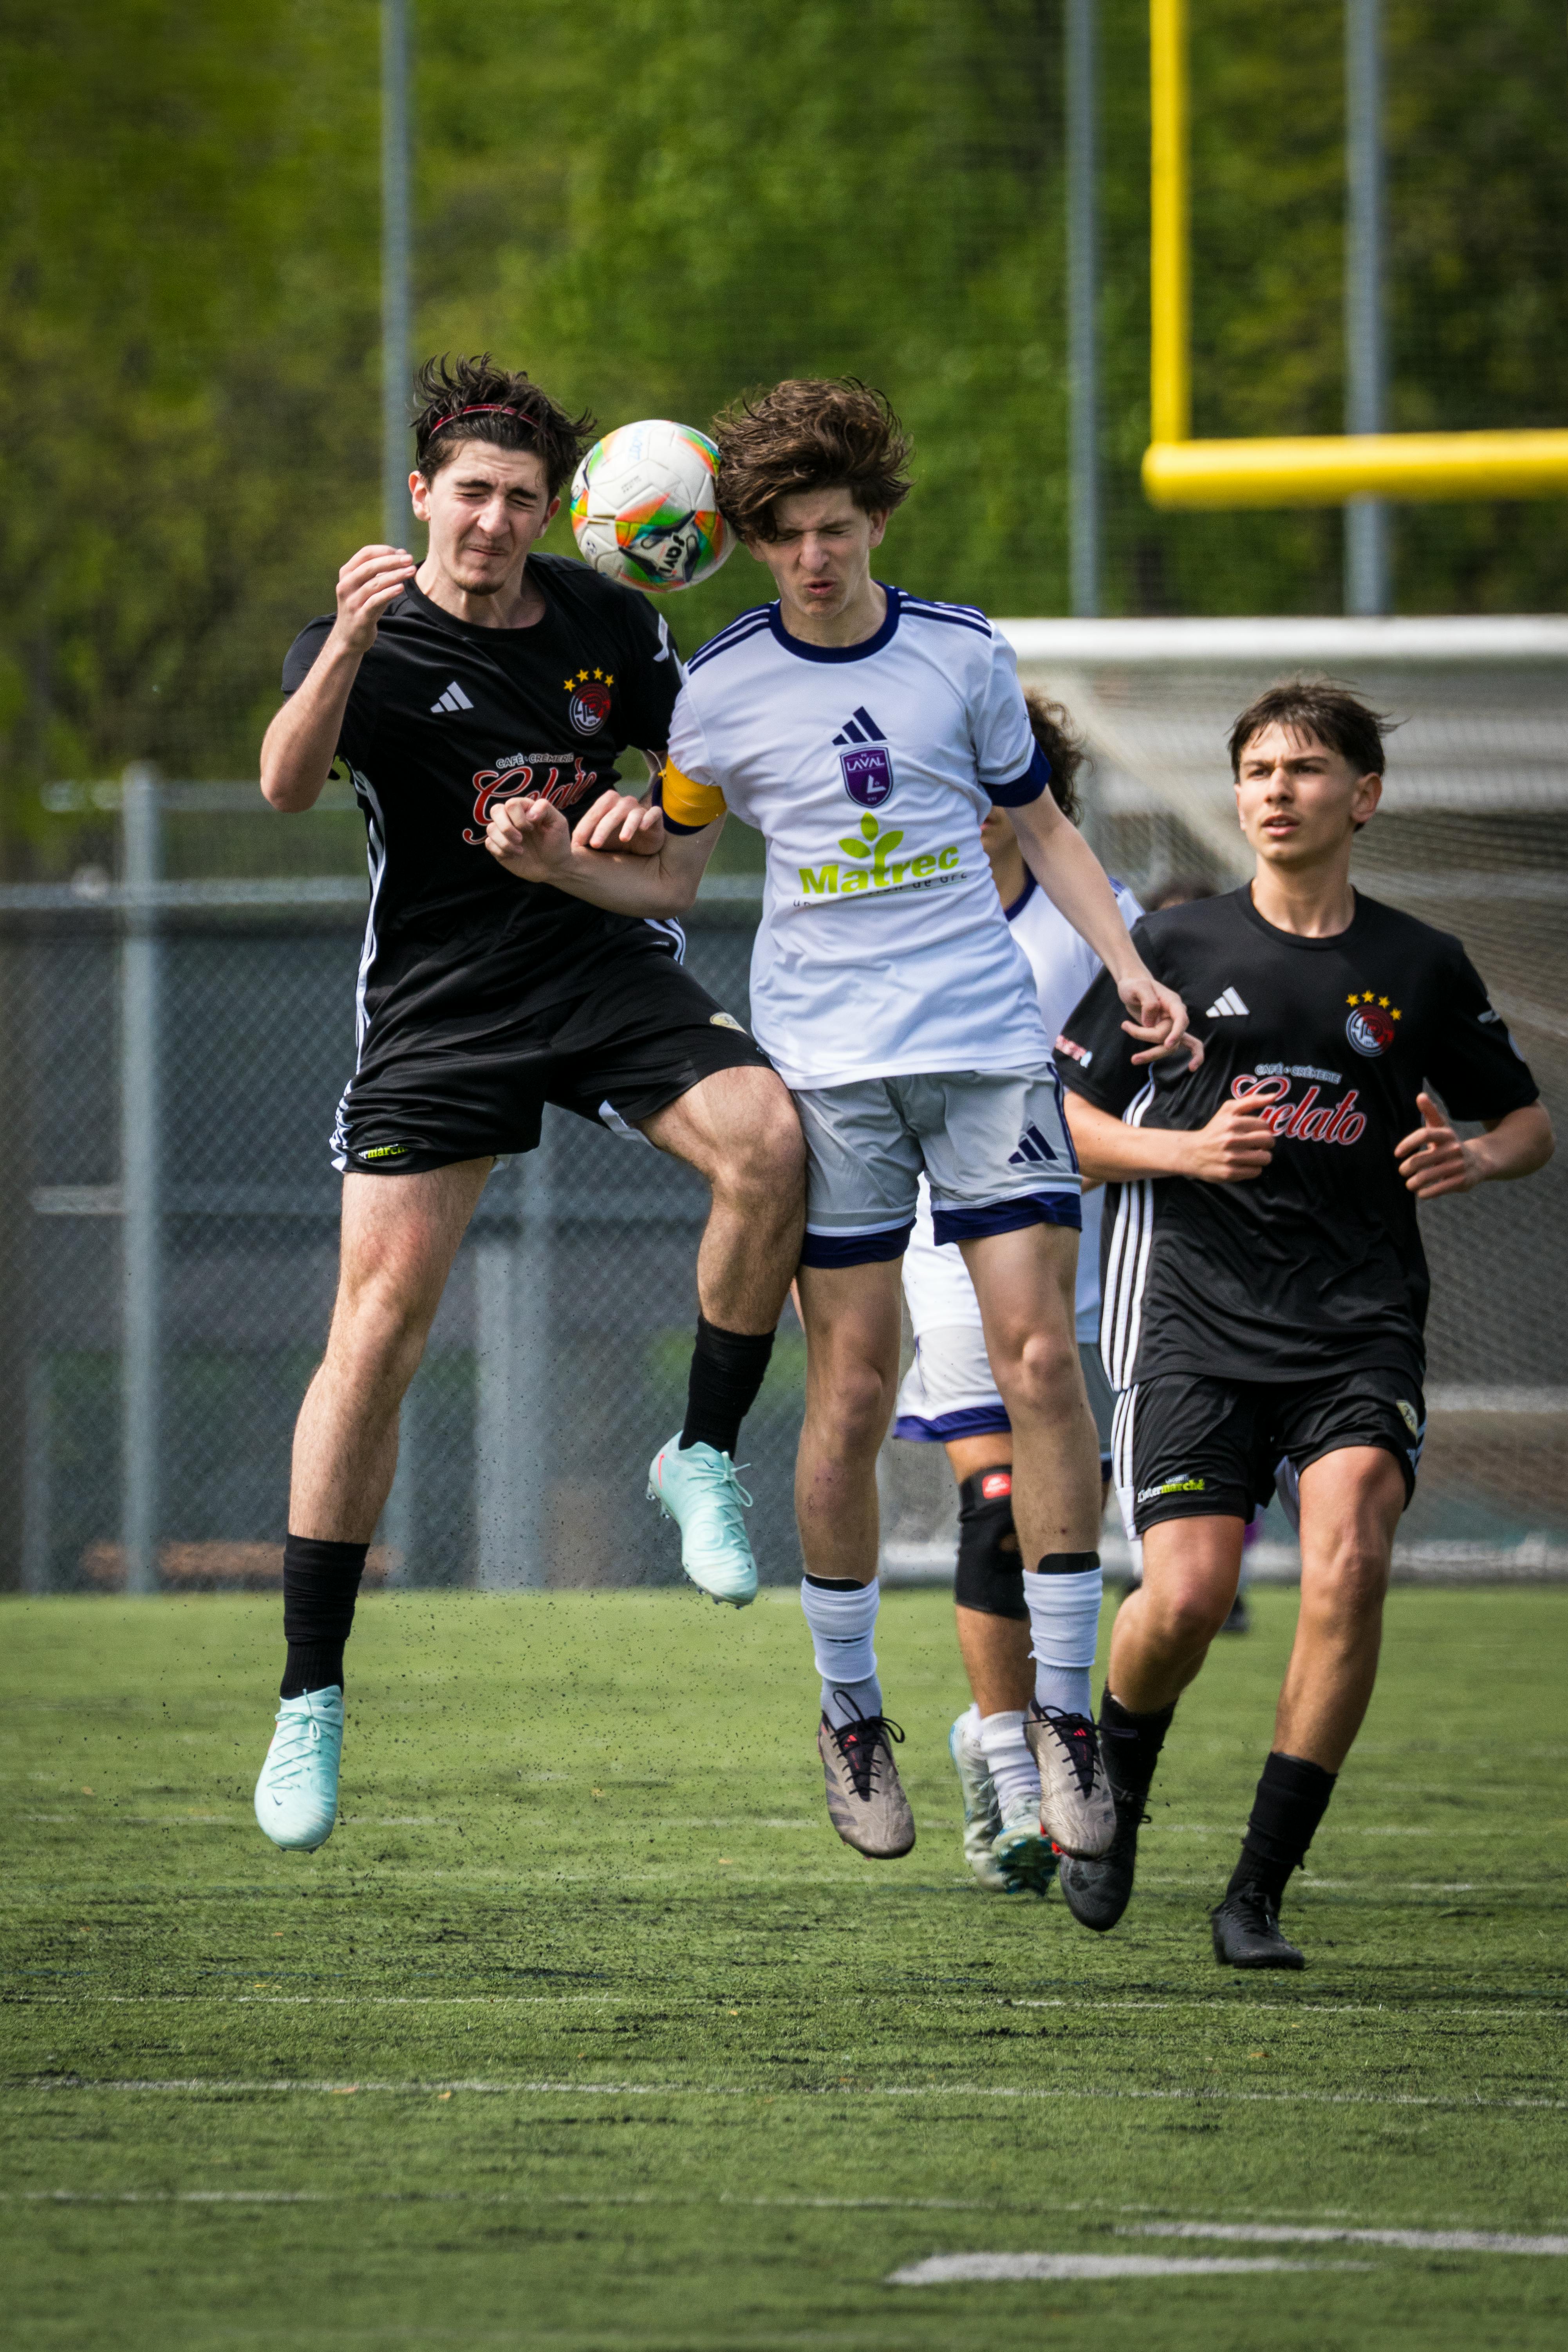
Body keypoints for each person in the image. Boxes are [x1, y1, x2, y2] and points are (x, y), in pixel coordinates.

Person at [487, 377, 1191, 1864]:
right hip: (830, 1064)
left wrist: (1126, 970)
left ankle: (1064, 1714)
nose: (815, 555)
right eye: (788, 534)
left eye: (836, 527)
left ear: (876, 520)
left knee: (1045, 1360)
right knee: (856, 1396)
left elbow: (1047, 828)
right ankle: (851, 1708)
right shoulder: (716, 691)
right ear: (748, 542)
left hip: (987, 1050)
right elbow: (671, 879)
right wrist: (562, 863)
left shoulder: (961, 655)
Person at [251, 355, 805, 1855]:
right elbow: (286, 788)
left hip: (599, 963)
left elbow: (683, 864)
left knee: (770, 1145)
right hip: (441, 1011)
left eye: (519, 499)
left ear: (556, 512)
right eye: (468, 495)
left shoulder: (618, 625)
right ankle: (312, 1698)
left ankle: (698, 1452)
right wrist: (349, 644)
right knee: (377, 1333)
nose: (491, 521)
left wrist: (620, 821)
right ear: (422, 498)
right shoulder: (363, 634)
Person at [1052, 678, 1553, 1965]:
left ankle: (1255, 1894)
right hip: (1192, 1319)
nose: (1275, 790)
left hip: (1358, 1325)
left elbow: (1524, 1121)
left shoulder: (1417, 965)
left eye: (1306, 770)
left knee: (1347, 1564)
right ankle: (1113, 1794)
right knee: (1187, 1595)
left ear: (1363, 798)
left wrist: (1475, 1159)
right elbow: (1059, 1124)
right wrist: (1182, 1154)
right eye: (1257, 770)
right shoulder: (1168, 951)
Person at [889, 692, 1141, 1896]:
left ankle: (1029, 1729)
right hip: (945, 1256)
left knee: (1060, 1527)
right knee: (994, 1504)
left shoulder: (1108, 929)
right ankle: (1009, 1769)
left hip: (1092, 1267)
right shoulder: (883, 910)